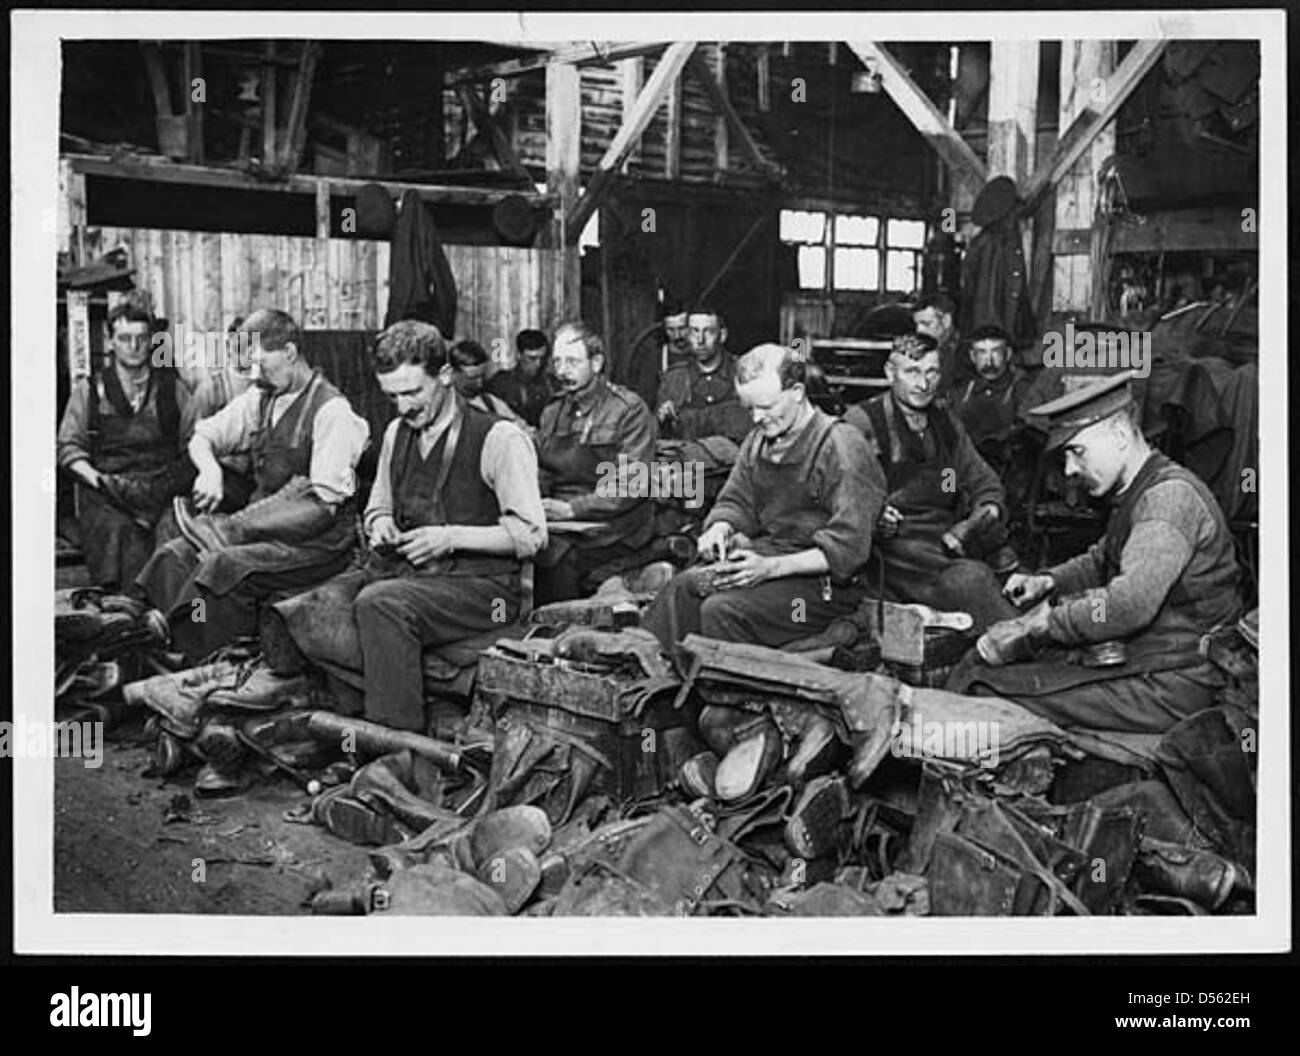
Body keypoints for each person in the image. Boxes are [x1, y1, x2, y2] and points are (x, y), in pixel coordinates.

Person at [952, 371, 1242, 733]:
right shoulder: (1139, 490)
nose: (1071, 469)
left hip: (1176, 682)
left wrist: (1043, 624)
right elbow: (1102, 559)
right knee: (1003, 671)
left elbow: (1128, 605)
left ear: (1120, 435)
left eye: (1077, 451)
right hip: (1154, 659)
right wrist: (1048, 581)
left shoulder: (1167, 499)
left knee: (989, 689)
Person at [324, 320, 546, 731]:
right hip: (416, 575)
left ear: (444, 376)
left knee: (382, 604)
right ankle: (348, 724)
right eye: (392, 396)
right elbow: (378, 507)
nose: (403, 406)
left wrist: (449, 537)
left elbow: (531, 535)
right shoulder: (396, 432)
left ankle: (396, 748)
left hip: (486, 590)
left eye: (412, 392)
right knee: (317, 603)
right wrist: (382, 525)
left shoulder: (499, 437)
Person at [135, 308, 369, 661]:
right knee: (173, 556)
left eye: (261, 364)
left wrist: (236, 529)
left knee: (221, 569)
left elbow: (323, 508)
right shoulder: (262, 397)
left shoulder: (334, 413)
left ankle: (213, 662)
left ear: (289, 353)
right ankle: (172, 643)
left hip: (318, 544)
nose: (254, 375)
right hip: (263, 529)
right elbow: (203, 436)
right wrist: (209, 470)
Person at [643, 343, 886, 649]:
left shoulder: (841, 447)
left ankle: (726, 693)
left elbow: (848, 551)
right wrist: (721, 528)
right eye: (749, 408)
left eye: (767, 407)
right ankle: (651, 670)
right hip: (772, 558)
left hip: (829, 588)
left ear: (797, 392)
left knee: (722, 610)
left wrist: (769, 568)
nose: (756, 418)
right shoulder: (759, 440)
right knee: (683, 588)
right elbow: (736, 501)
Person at [843, 332, 1019, 632]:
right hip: (890, 555)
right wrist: (872, 514)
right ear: (889, 372)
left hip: (946, 541)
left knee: (1018, 580)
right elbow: (835, 499)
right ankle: (1015, 641)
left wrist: (978, 518)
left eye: (931, 372)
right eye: (912, 372)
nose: (923, 385)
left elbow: (984, 482)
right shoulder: (861, 423)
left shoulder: (945, 420)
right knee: (970, 580)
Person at [57, 302, 191, 589]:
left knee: (174, 532)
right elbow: (69, 447)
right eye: (124, 339)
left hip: (159, 487)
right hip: (107, 490)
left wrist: (168, 485)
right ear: (110, 342)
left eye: (141, 339)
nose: (133, 346)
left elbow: (195, 443)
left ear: (151, 342)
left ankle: (173, 616)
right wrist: (99, 481)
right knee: (118, 530)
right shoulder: (90, 391)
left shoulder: (172, 389)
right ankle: (124, 612)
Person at [533, 321, 658, 603]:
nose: (562, 371)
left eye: (573, 362)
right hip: (561, 520)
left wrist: (572, 508)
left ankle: (562, 633)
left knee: (556, 559)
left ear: (597, 362)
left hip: (616, 525)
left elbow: (632, 486)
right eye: (557, 362)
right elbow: (543, 470)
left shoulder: (628, 409)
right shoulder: (553, 411)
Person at [181, 314, 258, 511]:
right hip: (220, 476)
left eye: (251, 344)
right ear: (228, 347)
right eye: (238, 345)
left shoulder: (267, 387)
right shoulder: (210, 389)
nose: (244, 352)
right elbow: (188, 442)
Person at [654, 306, 751, 442]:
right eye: (694, 331)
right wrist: (664, 420)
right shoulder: (673, 380)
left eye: (708, 332)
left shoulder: (744, 372)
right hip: (690, 461)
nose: (700, 340)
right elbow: (661, 439)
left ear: (722, 335)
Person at [946, 323, 1032, 452]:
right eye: (982, 352)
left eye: (995, 352)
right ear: (972, 356)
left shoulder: (1023, 388)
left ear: (1008, 354)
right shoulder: (960, 391)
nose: (989, 361)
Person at [486, 328, 555, 426]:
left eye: (542, 358)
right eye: (532, 358)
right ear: (519, 355)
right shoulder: (501, 384)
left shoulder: (553, 384)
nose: (538, 364)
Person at [449, 338, 524, 421]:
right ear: (452, 373)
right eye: (472, 378)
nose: (479, 383)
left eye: (482, 376)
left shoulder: (489, 402)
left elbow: (519, 426)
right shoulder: (443, 406)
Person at [912, 292, 967, 391]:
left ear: (946, 321)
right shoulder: (918, 349)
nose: (919, 330)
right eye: (917, 325)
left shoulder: (965, 355)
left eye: (926, 324)